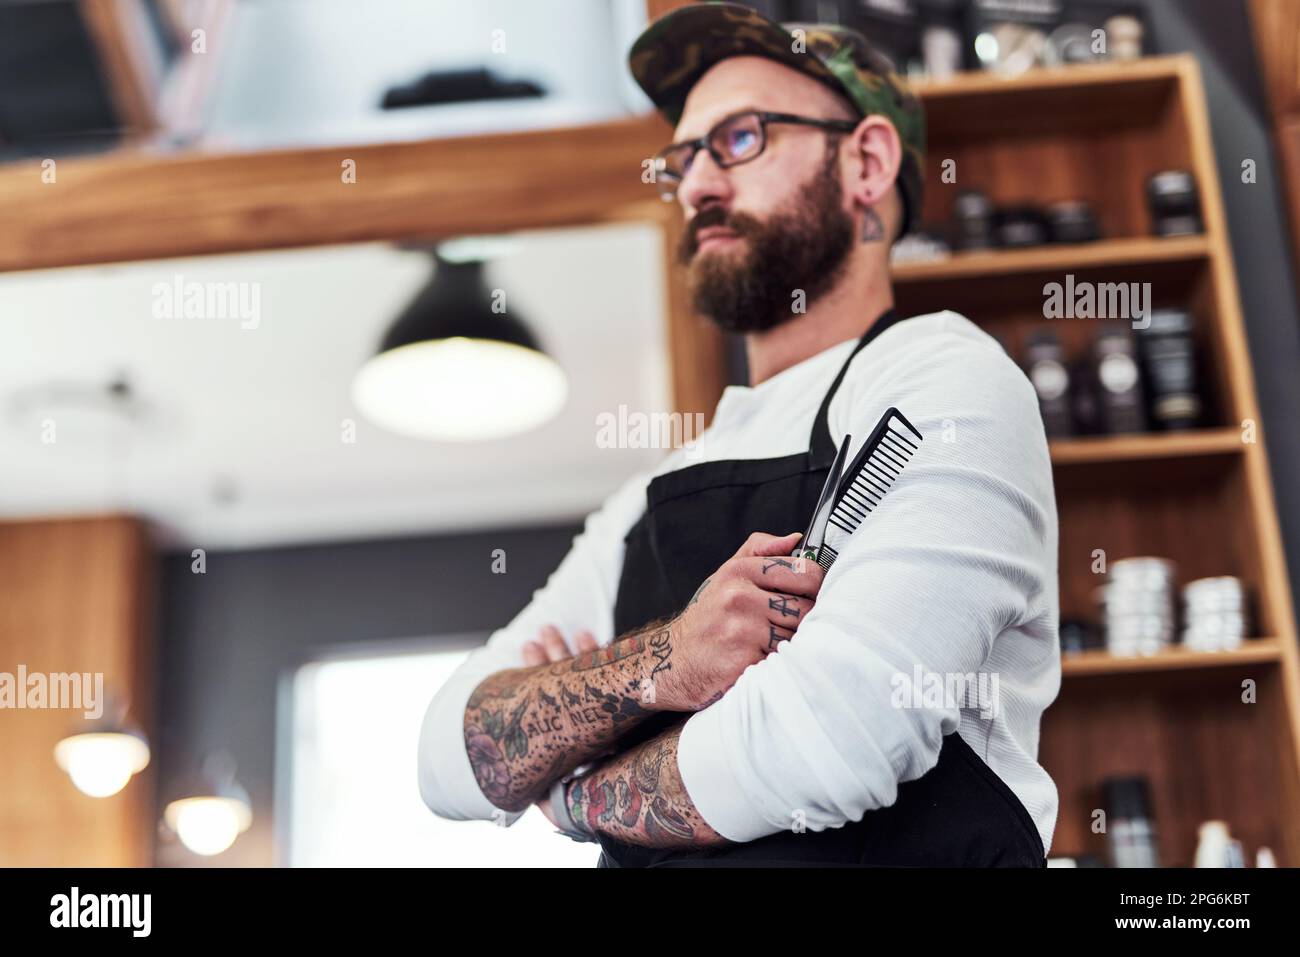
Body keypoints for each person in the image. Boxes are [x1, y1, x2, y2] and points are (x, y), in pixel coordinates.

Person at [417, 2, 1059, 867]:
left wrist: (573, 790)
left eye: (742, 139)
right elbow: (451, 754)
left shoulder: (941, 378)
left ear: (866, 161)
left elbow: (831, 737)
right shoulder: (649, 496)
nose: (696, 185)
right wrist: (668, 660)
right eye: (684, 158)